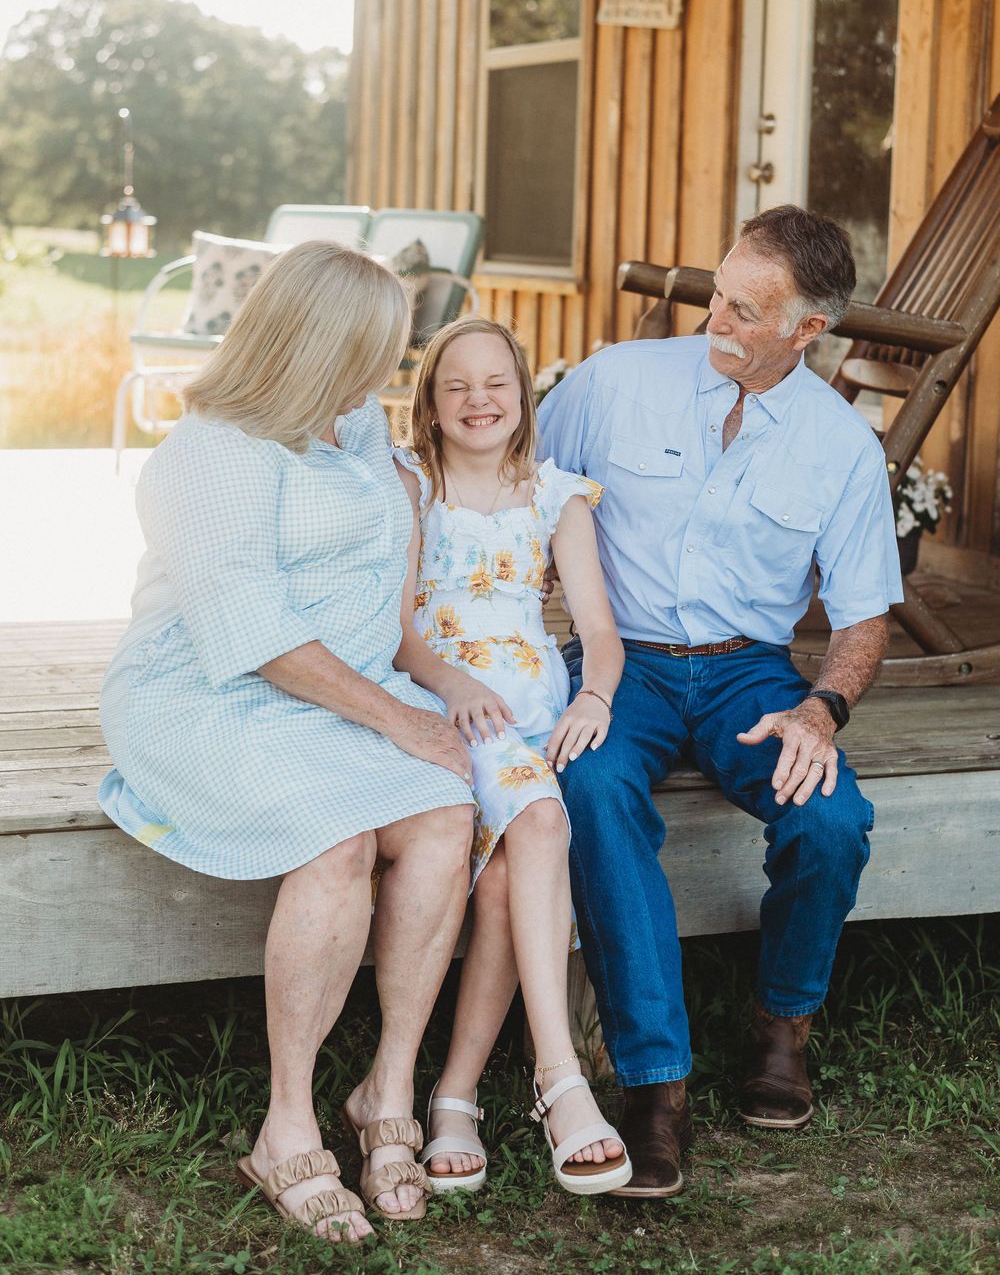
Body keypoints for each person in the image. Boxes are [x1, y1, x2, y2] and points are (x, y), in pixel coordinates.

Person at [99, 242, 477, 1243]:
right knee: (339, 838)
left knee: (445, 814)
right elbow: (249, 635)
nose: (388, 375)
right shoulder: (208, 455)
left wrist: (416, 692)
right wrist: (399, 716)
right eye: (376, 353)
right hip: (207, 696)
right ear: (315, 348)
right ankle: (287, 1123)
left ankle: (386, 1092)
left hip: (338, 697)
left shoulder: (350, 426)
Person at [538, 205, 904, 1198]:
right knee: (595, 790)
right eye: (717, 293)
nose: (716, 319)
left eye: (745, 311)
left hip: (753, 671)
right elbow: (510, 487)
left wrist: (818, 710)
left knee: (831, 820)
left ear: (806, 332)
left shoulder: (839, 446)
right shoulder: (613, 382)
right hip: (625, 663)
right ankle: (656, 1086)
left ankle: (781, 1028)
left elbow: (865, 617)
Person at [392, 318, 633, 1197]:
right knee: (538, 820)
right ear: (431, 401)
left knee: (502, 881)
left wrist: (593, 696)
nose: (478, 401)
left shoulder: (556, 495)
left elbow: (600, 633)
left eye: (497, 383)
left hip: (529, 722)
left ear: (524, 395)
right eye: (457, 386)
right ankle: (560, 1079)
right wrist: (450, 682)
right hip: (447, 714)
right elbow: (403, 634)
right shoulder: (412, 485)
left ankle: (454, 1096)